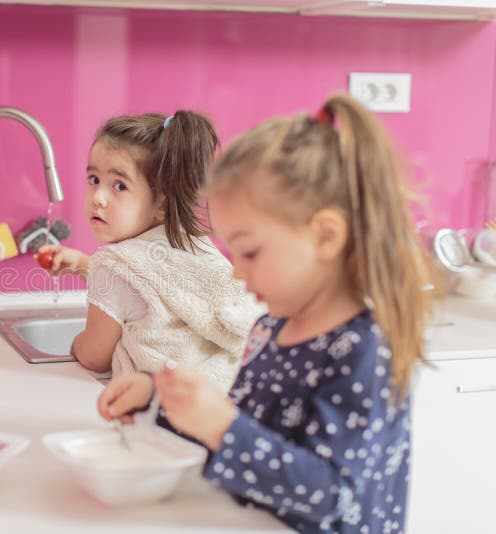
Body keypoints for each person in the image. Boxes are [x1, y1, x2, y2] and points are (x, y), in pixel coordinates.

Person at [97, 94, 436, 533]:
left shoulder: (364, 351)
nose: (236, 270)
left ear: (325, 236)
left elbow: (332, 494)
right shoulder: (269, 329)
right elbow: (250, 445)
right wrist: (161, 402)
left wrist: (222, 425)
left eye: (251, 250)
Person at [37, 111, 263, 389]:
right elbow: (144, 285)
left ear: (161, 205)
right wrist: (84, 264)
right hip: (221, 390)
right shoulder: (191, 242)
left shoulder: (113, 265)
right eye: (94, 180)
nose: (99, 198)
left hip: (162, 401)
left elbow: (95, 356)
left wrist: (74, 344)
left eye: (119, 185)